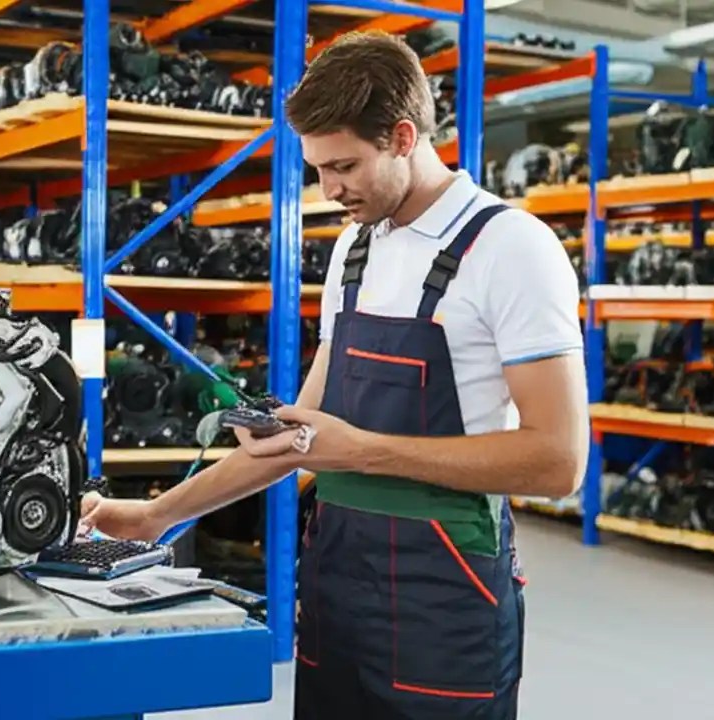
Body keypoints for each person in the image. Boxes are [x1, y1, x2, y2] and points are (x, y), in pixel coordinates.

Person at [80, 30, 588, 719]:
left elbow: (559, 461)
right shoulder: (353, 248)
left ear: (404, 137)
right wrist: (155, 516)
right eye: (317, 168)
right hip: (336, 586)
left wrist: (362, 450)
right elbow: (299, 438)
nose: (328, 190)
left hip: (446, 597)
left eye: (344, 166)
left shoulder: (510, 249)